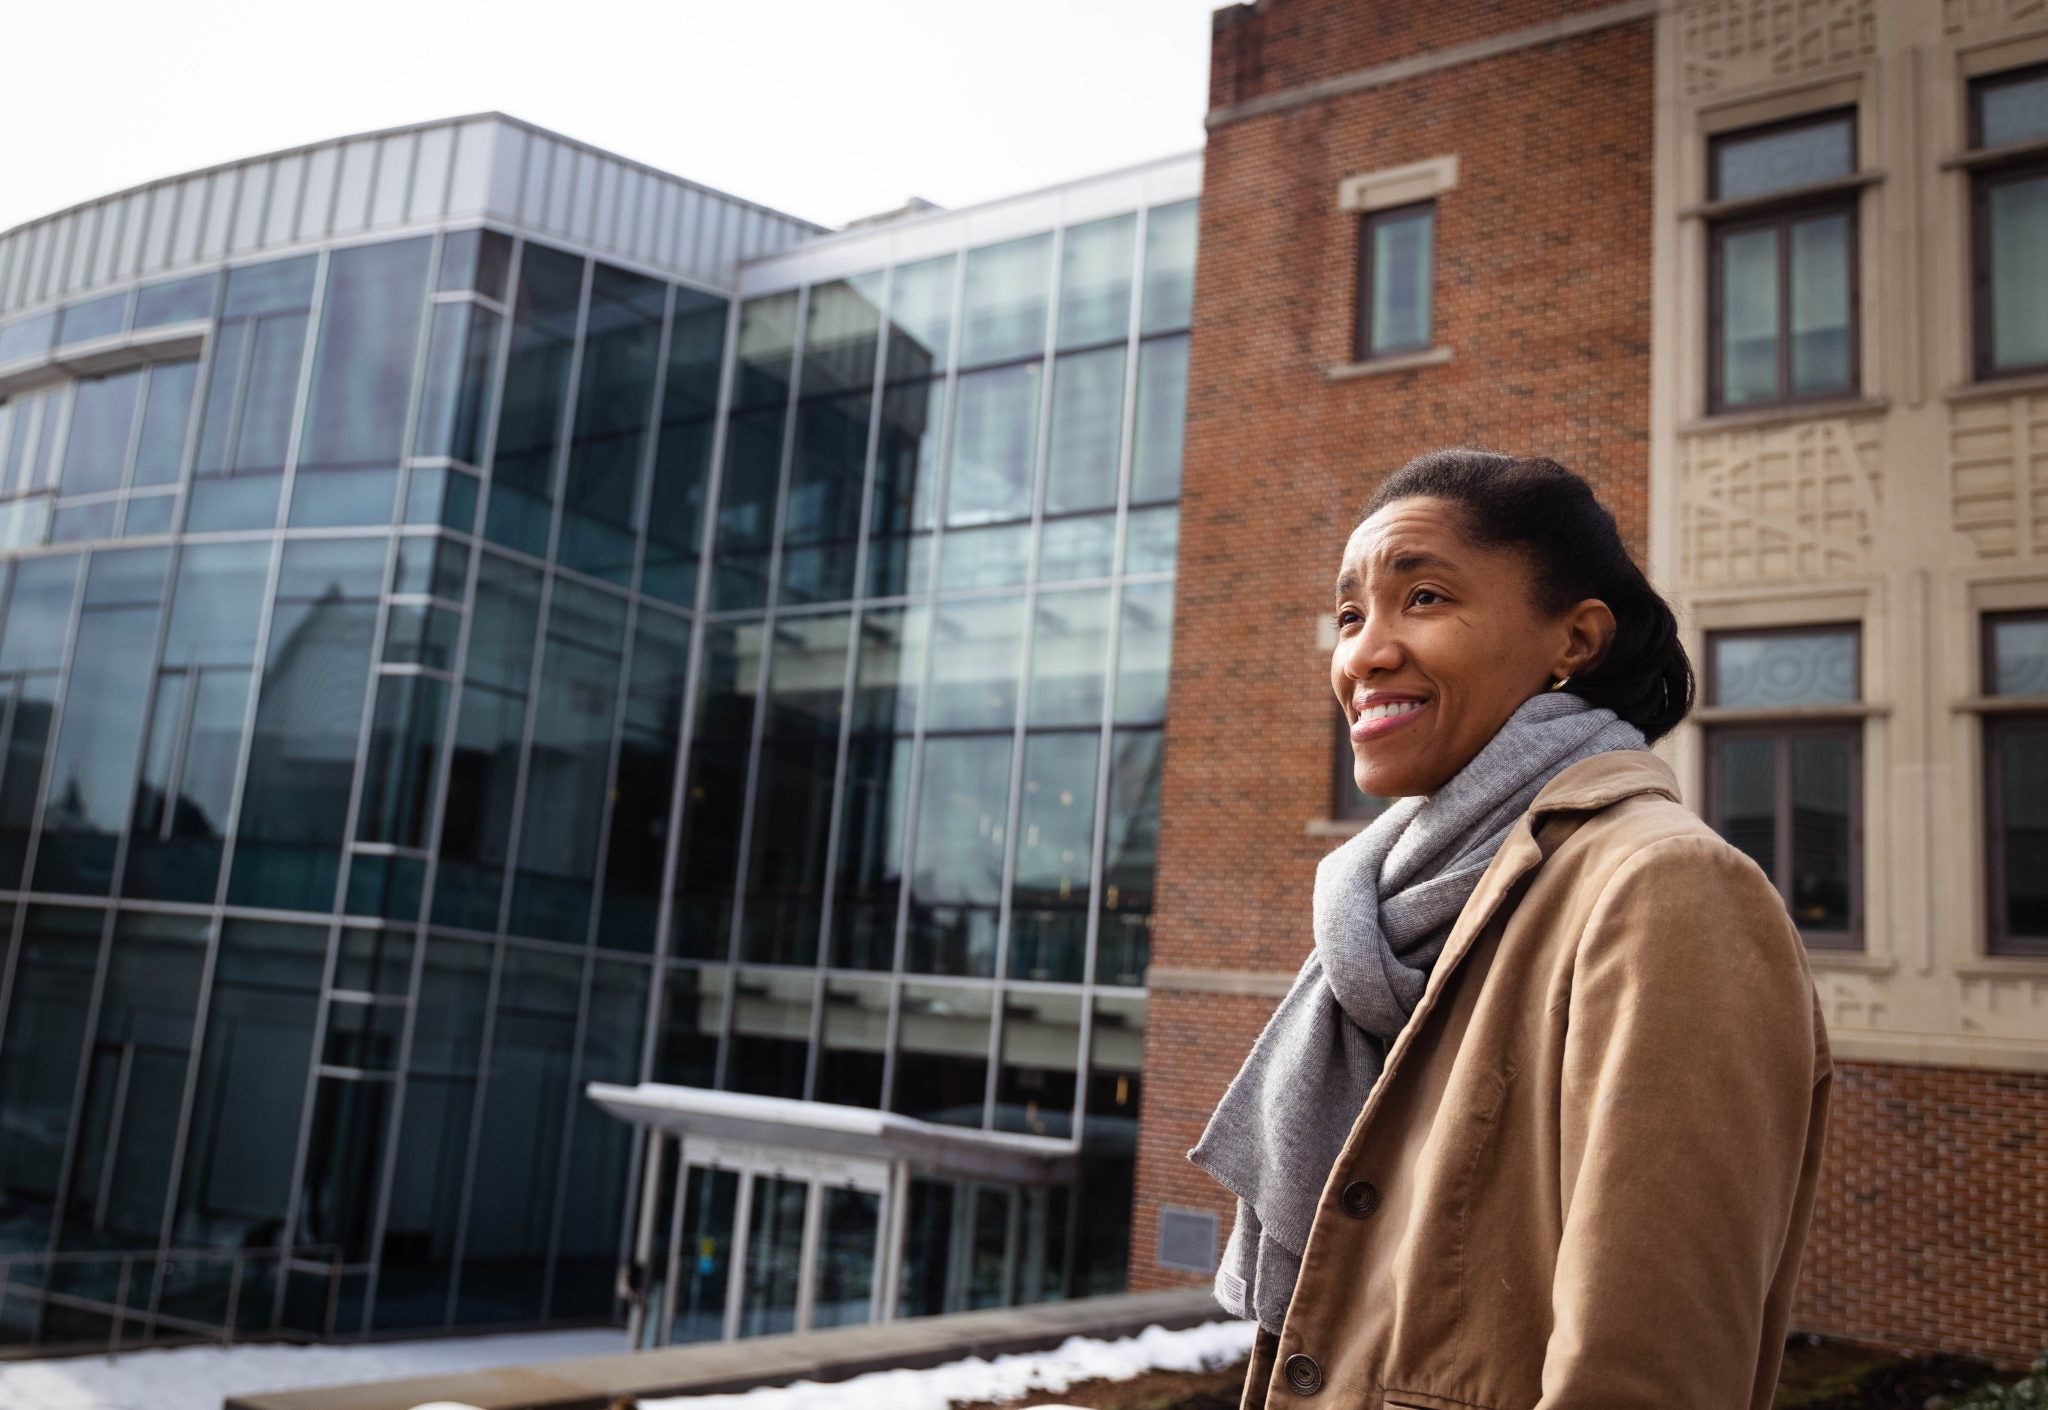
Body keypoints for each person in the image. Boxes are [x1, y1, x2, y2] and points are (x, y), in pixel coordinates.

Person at [1189, 450, 1831, 1410]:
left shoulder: (1667, 891)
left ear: (1574, 642)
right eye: (1353, 613)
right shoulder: (1397, 903)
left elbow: (1648, 1378)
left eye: (1427, 597)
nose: (1362, 652)